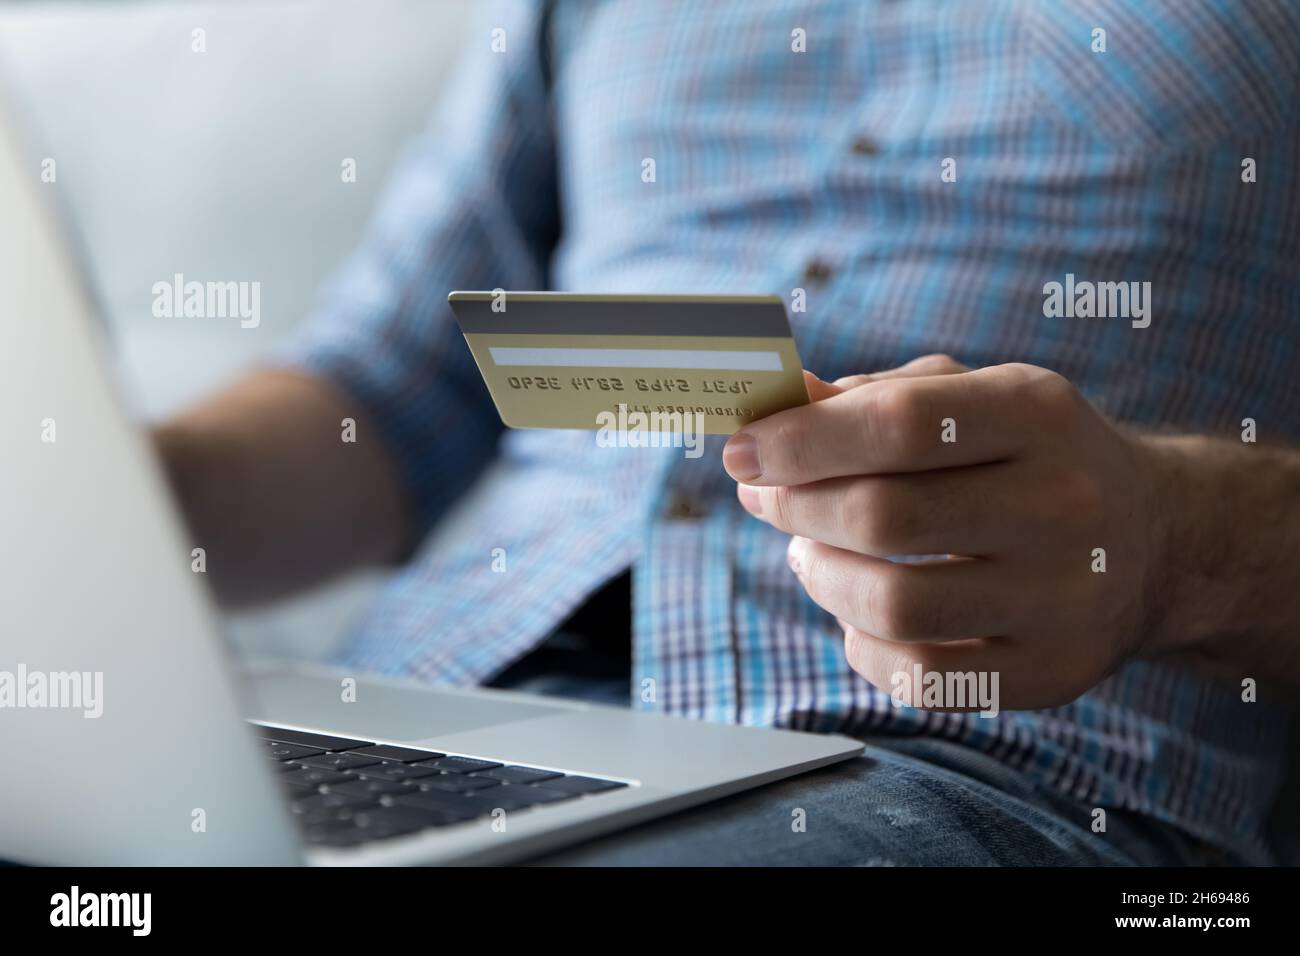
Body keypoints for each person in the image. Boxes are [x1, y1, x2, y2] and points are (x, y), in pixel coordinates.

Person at [152, 0, 1299, 864]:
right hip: (413, 703)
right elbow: (383, 393)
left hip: (964, 766)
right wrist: (104, 495)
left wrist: (1162, 541)